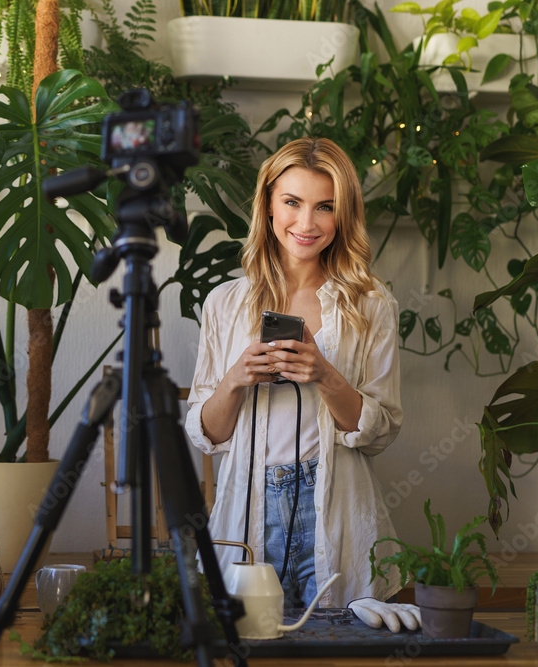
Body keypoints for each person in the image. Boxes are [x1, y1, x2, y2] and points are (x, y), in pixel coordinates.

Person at [185, 137, 405, 613]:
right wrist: (235, 379)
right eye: (292, 202)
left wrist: (325, 375)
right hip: (248, 505)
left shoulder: (371, 305)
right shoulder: (225, 303)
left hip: (335, 507)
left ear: (343, 216)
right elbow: (209, 434)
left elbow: (379, 431)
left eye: (325, 207)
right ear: (267, 205)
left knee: (337, 650)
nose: (306, 223)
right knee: (242, 645)